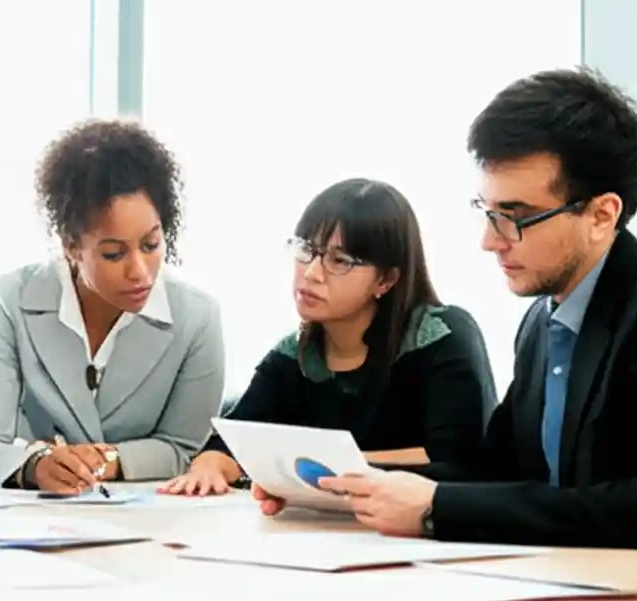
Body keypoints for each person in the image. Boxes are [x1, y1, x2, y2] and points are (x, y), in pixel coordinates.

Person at [277, 68, 637, 558]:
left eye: (515, 217)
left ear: (601, 216)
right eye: (487, 210)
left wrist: (438, 508)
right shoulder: (544, 321)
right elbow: (486, 470)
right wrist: (338, 488)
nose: (490, 240)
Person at [162, 179, 496, 497]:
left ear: (387, 279)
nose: (311, 273)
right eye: (306, 250)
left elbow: (455, 460)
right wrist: (209, 467)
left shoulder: (441, 337)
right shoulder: (292, 356)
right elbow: (230, 443)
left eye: (340, 260)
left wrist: (326, 470)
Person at [0, 119, 225, 492]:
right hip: (30, 528)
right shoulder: (12, 300)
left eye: (151, 245)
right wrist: (34, 466)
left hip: (151, 526)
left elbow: (187, 449)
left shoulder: (197, 317)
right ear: (70, 245)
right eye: (113, 253)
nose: (140, 272)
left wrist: (110, 460)